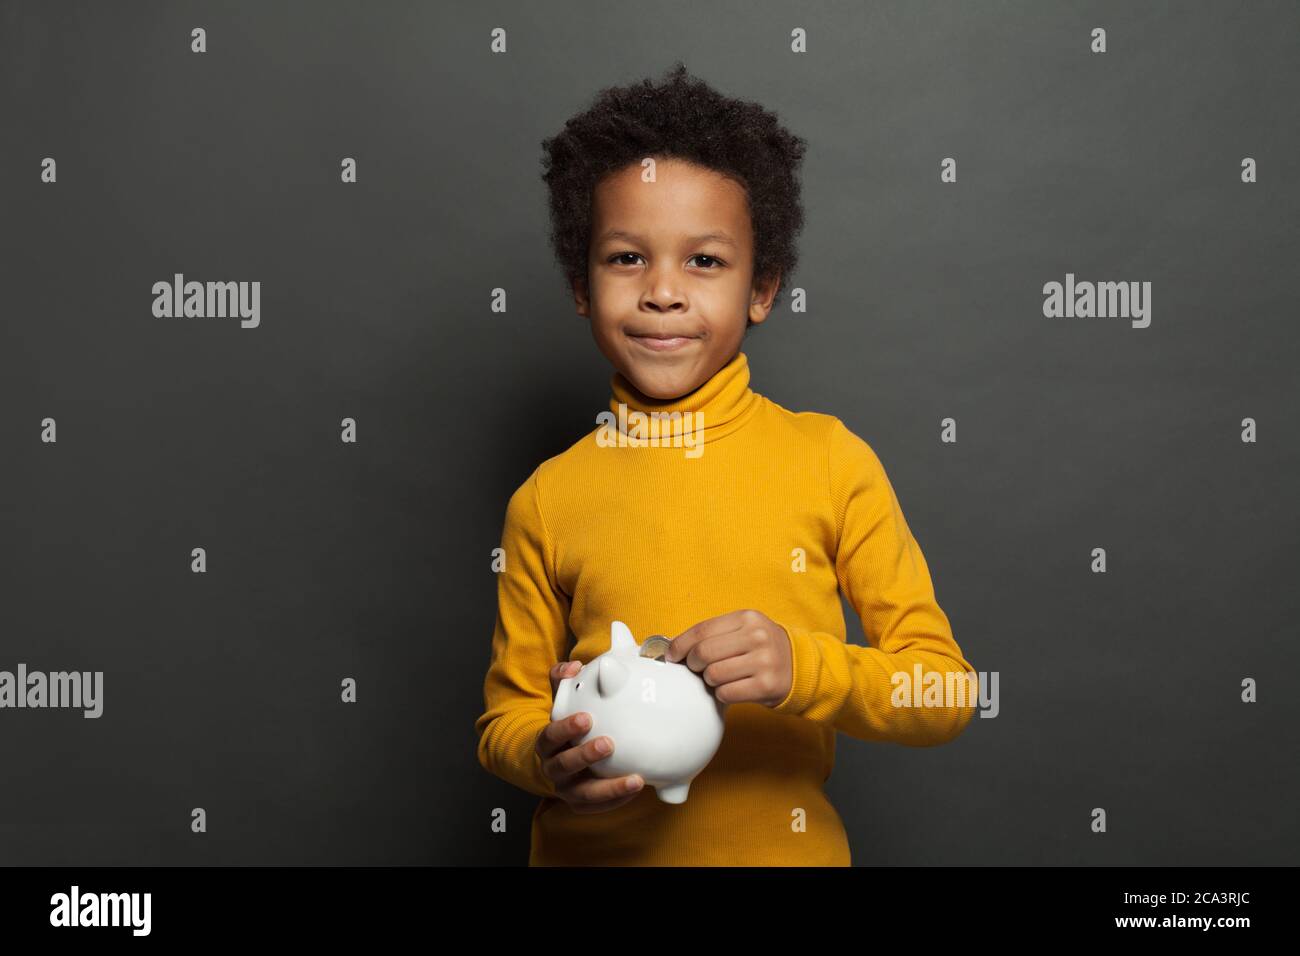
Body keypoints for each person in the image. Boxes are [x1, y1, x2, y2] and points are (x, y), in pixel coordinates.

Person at [474, 62, 978, 865]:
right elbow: (504, 722)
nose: (664, 293)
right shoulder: (548, 499)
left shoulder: (829, 462)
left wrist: (804, 669)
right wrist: (550, 752)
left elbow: (947, 692)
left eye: (704, 261)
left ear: (763, 286)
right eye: (626, 258)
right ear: (580, 283)